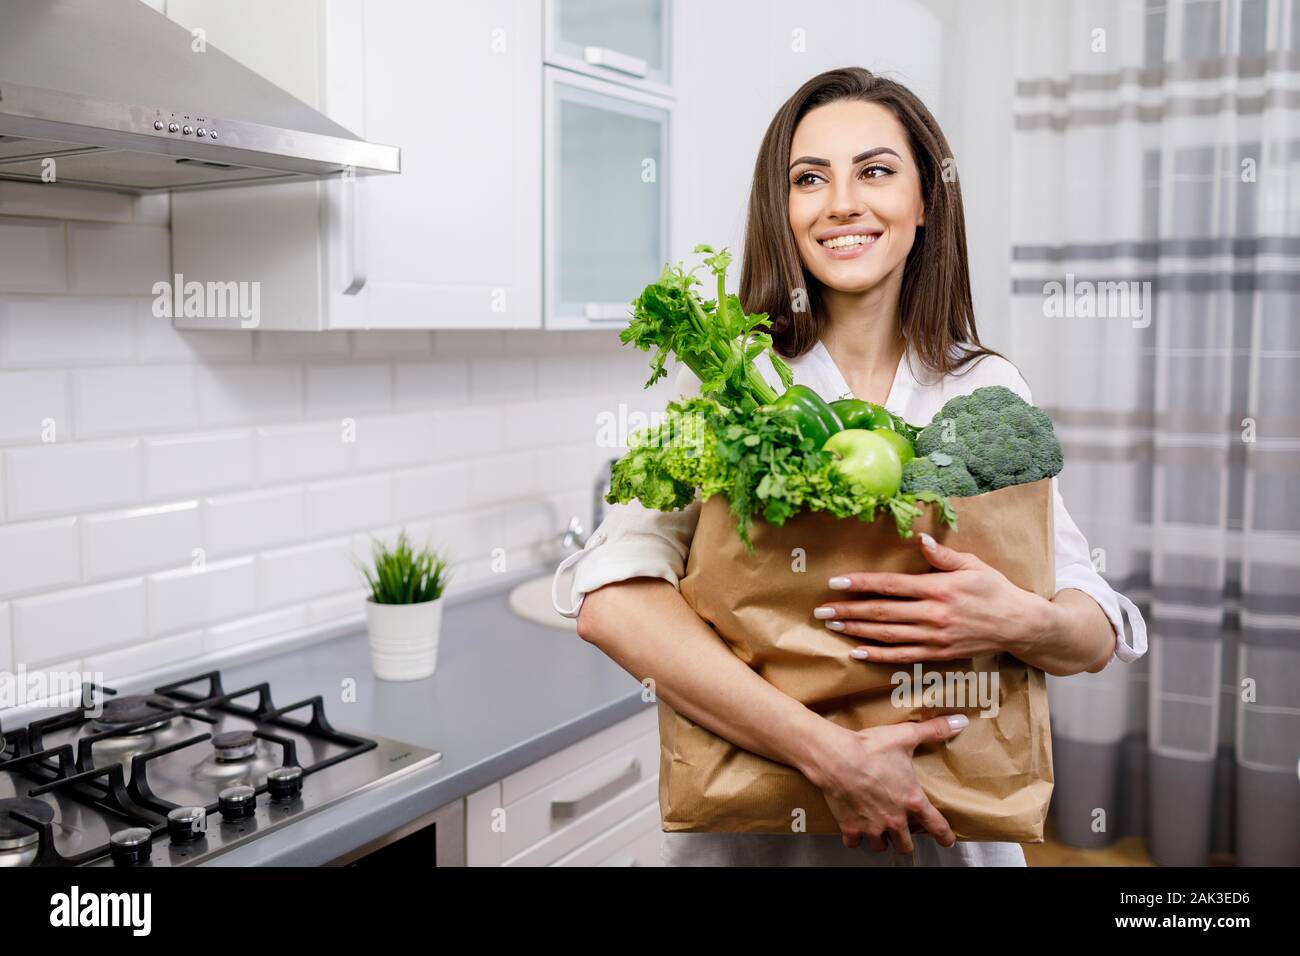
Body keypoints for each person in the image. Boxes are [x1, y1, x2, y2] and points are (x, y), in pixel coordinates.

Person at [552, 67, 1148, 867]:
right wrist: (828, 756)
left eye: (875, 171)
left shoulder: (984, 386)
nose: (841, 203)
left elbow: (1094, 631)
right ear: (783, 207)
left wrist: (1017, 620)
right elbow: (612, 602)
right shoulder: (735, 377)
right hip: (762, 834)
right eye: (808, 179)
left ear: (926, 200)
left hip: (950, 837)